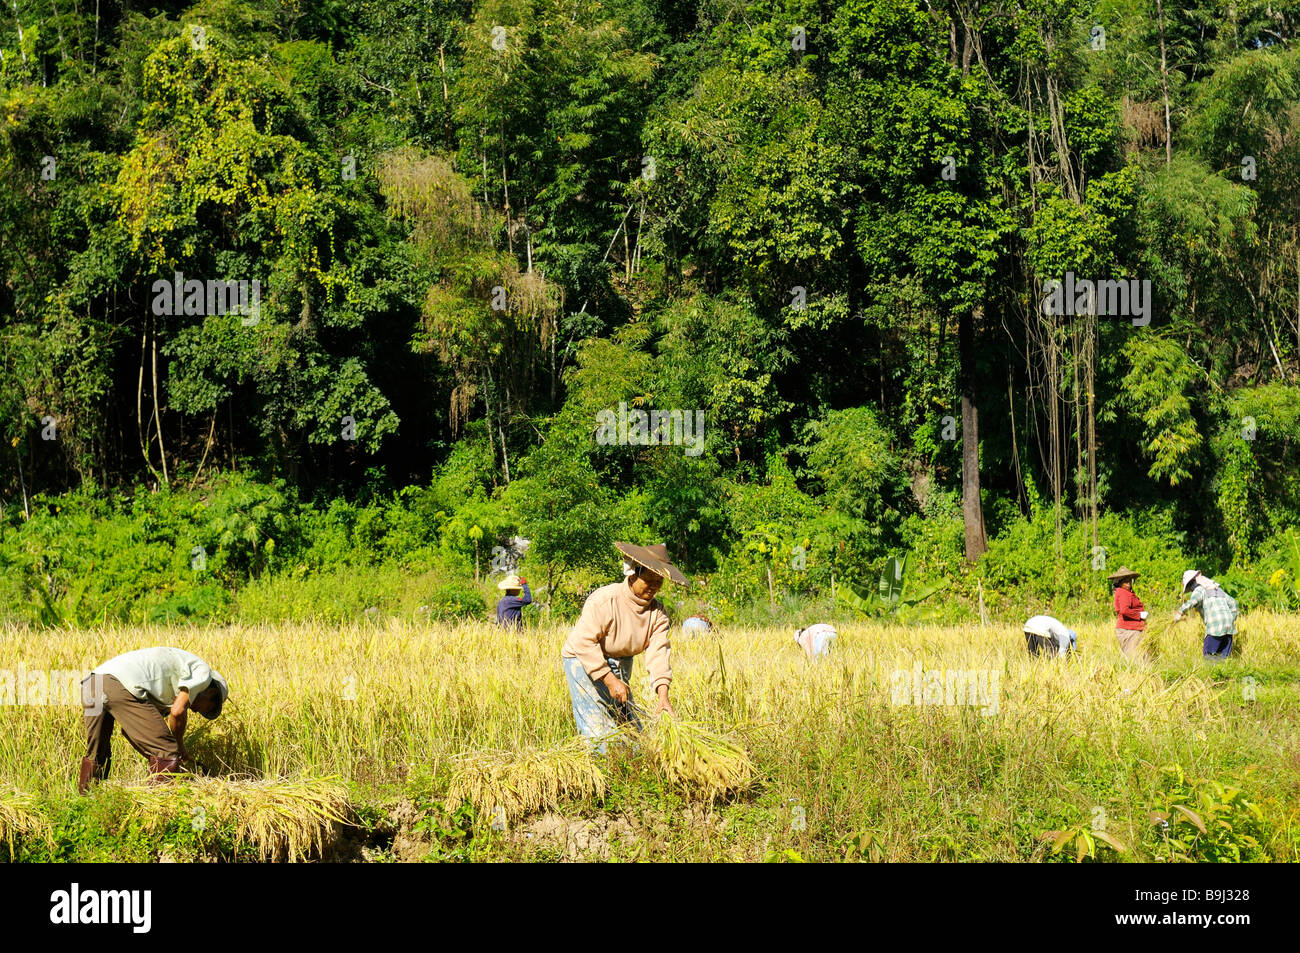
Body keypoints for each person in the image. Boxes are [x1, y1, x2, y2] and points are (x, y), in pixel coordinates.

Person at [561, 542, 687, 752]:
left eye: (659, 582)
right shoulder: (605, 600)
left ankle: (631, 769)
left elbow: (659, 654)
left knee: (632, 734)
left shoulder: (657, 614)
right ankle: (602, 773)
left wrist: (663, 696)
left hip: (621, 662)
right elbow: (584, 642)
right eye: (649, 580)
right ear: (633, 574)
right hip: (583, 660)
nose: (654, 587)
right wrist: (610, 680)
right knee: (599, 733)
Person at [79, 647, 228, 793]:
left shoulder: (163, 693)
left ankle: (85, 803)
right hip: (117, 684)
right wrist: (176, 748)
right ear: (211, 692)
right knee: (167, 749)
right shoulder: (204, 674)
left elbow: (129, 731)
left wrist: (159, 760)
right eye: (208, 708)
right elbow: (177, 712)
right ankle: (157, 810)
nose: (198, 711)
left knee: (97, 753)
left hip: (92, 683)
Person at [1174, 569, 1239, 660]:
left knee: (1209, 657)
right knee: (1223, 658)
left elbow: (1193, 601)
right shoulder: (1218, 589)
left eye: (1189, 586)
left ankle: (1211, 673)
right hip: (1229, 628)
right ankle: (1222, 673)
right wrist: (1231, 620)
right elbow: (1234, 603)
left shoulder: (1199, 590)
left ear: (1193, 582)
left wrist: (1180, 612)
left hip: (1215, 628)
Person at [1109, 566, 1150, 661]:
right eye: (1126, 581)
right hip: (1129, 630)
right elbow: (1124, 610)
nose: (1129, 584)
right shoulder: (1123, 593)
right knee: (1135, 659)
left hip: (1132, 628)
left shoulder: (1126, 592)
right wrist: (1139, 615)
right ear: (1120, 583)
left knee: (1141, 657)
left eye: (1130, 581)